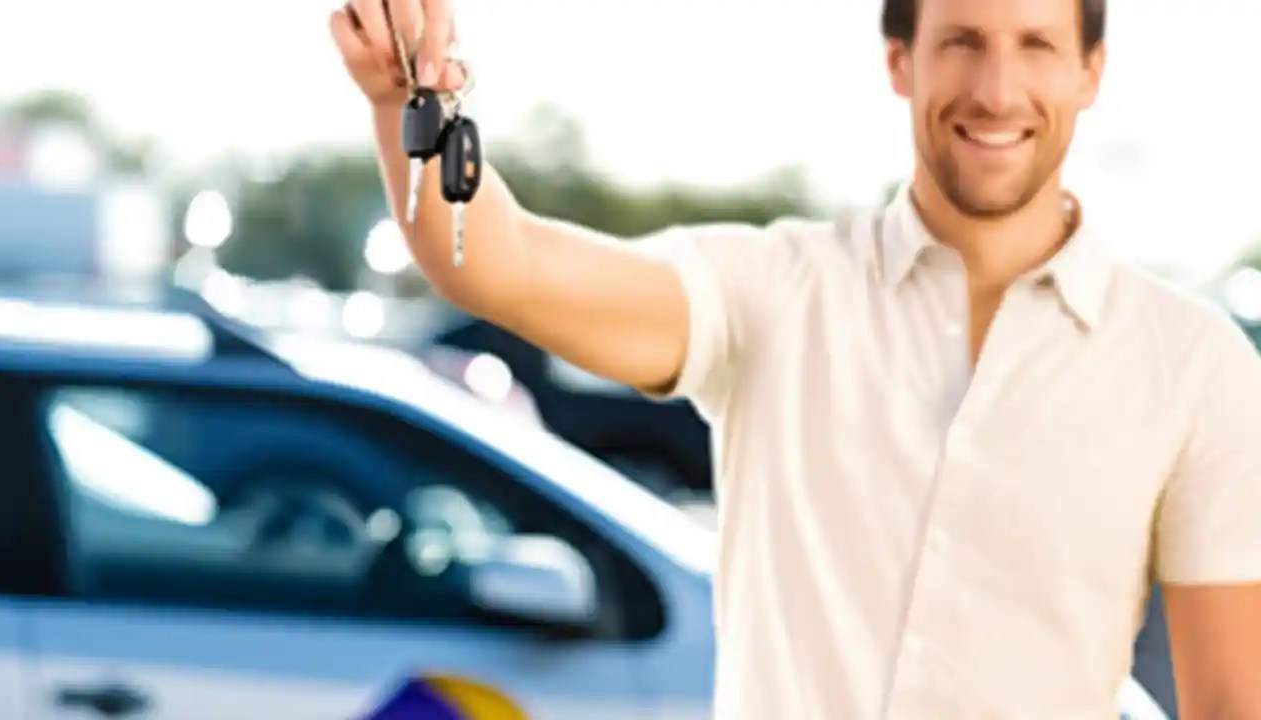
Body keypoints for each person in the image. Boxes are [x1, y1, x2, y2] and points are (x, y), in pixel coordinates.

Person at [330, 0, 1261, 717]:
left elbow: (1231, 703)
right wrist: (409, 99)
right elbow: (504, 265)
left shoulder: (1192, 366)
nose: (996, 90)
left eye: (1036, 44)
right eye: (962, 41)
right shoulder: (771, 296)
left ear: (1091, 70)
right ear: (901, 60)